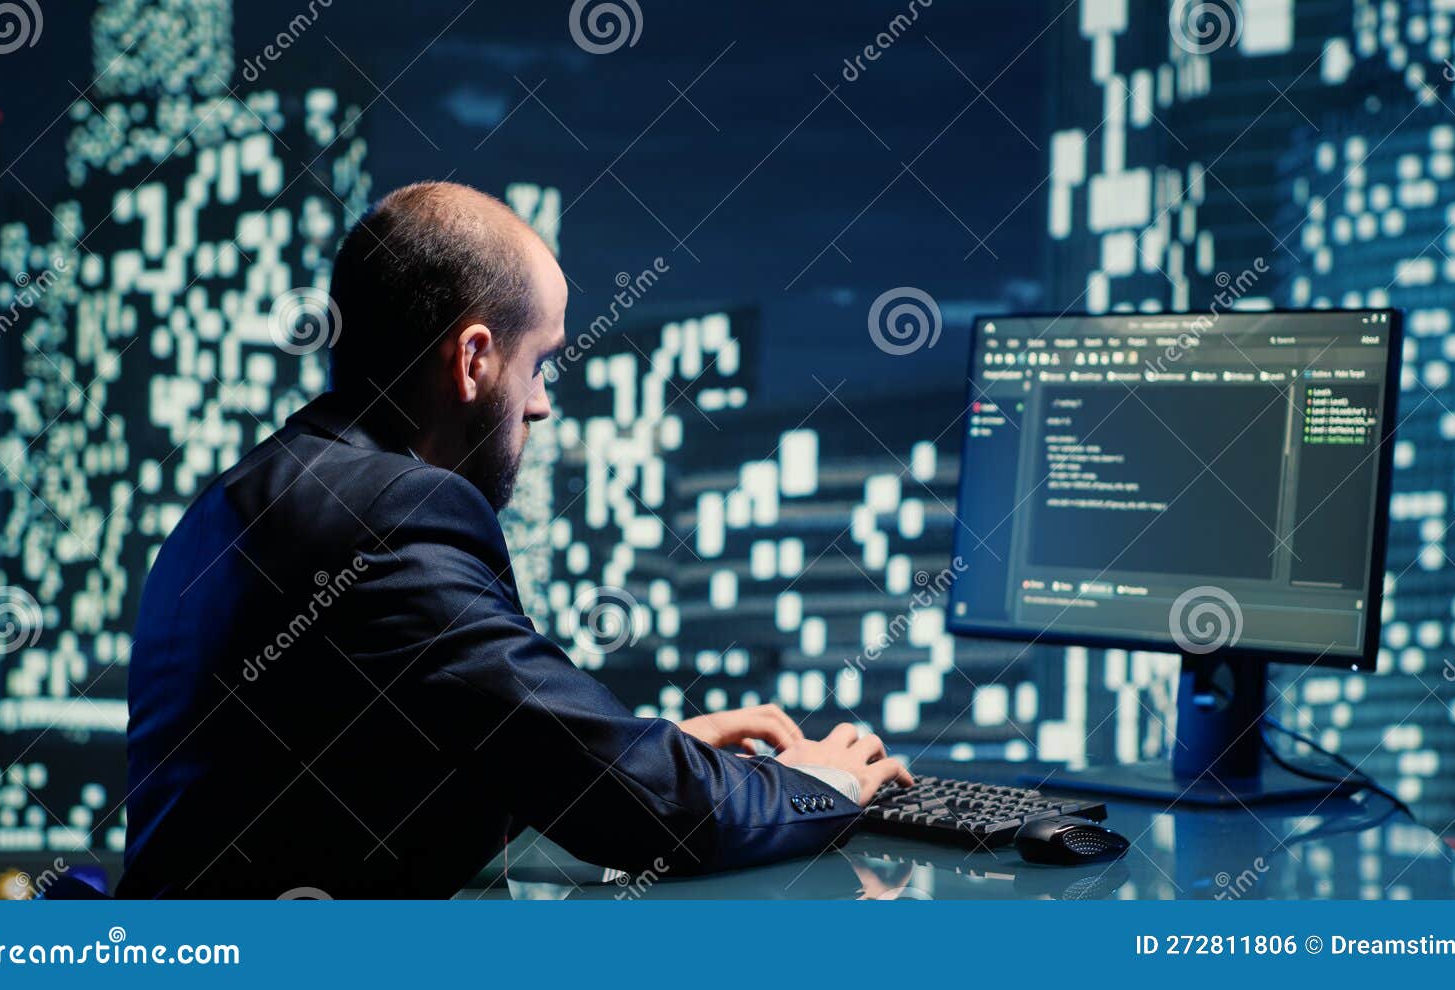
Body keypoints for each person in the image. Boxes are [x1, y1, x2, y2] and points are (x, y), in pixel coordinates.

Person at [119, 181, 910, 898]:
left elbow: (404, 759)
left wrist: (645, 750)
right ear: (472, 360)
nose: (541, 406)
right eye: (539, 365)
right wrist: (817, 782)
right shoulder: (397, 515)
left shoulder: (246, 494)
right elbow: (632, 813)